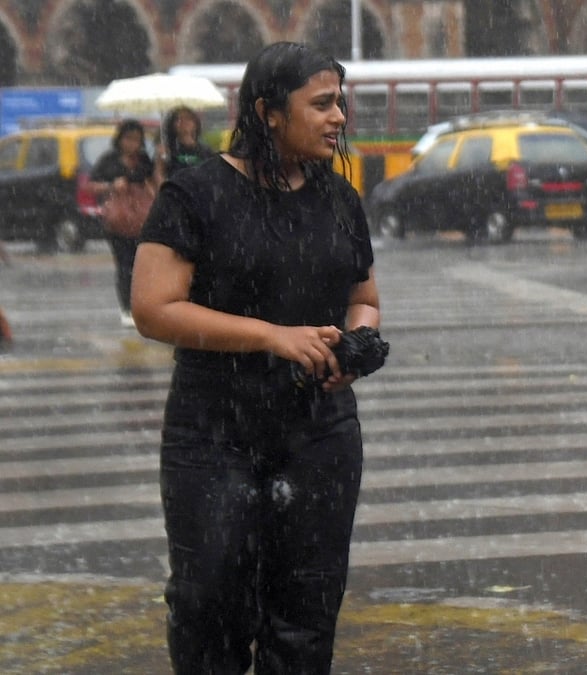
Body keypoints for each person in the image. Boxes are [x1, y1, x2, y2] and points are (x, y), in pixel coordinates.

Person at [131, 41, 380, 674]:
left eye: (340, 103)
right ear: (269, 112)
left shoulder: (338, 198)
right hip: (214, 434)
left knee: (305, 615)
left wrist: (357, 342)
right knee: (209, 605)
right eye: (321, 104)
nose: (339, 118)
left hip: (319, 432)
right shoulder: (196, 194)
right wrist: (274, 336)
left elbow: (365, 297)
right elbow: (154, 308)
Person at [87, 118, 156, 327]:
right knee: (124, 265)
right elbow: (91, 185)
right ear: (120, 139)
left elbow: (155, 182)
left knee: (141, 266)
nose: (133, 144)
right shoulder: (109, 160)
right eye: (129, 138)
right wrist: (111, 186)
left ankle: (140, 306)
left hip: (142, 220)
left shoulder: (144, 160)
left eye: (137, 139)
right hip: (118, 221)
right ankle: (126, 307)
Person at [157, 105, 217, 180]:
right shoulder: (168, 150)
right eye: (178, 119)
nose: (183, 122)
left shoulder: (206, 151)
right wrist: (160, 158)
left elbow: (213, 174)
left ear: (195, 123)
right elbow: (160, 174)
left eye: (188, 118)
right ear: (173, 125)